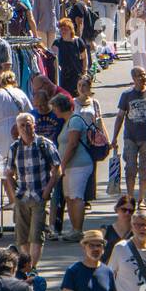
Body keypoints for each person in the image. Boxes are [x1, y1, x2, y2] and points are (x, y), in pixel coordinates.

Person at [4, 111, 61, 265]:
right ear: (17, 128)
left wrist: (47, 191)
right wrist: (14, 193)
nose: (25, 128)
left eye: (28, 124)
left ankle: (33, 267)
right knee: (22, 235)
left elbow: (57, 169)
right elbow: (8, 173)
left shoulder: (44, 144)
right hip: (22, 196)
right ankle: (25, 266)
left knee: (36, 234)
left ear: (34, 125)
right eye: (22, 125)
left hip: (39, 195)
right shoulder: (14, 147)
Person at [111, 66, 146, 206]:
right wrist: (114, 137)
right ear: (133, 78)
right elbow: (120, 117)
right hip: (130, 137)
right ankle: (130, 198)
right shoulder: (126, 95)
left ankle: (141, 198)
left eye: (144, 75)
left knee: (145, 167)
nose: (143, 77)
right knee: (130, 168)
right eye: (139, 75)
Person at [51, 92, 93, 241]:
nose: (54, 111)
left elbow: (73, 144)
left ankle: (78, 230)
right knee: (69, 197)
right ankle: (74, 228)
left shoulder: (75, 120)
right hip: (70, 166)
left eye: (55, 107)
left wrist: (62, 164)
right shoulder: (67, 121)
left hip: (79, 165)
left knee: (76, 196)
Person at [0, 71, 33, 154]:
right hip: (18, 128)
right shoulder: (20, 93)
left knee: (2, 158)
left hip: (0, 131)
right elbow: (29, 113)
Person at [53, 16, 89, 96]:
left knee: (79, 96)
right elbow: (54, 58)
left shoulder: (78, 41)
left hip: (77, 74)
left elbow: (84, 57)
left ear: (71, 30)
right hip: (63, 76)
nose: (63, 31)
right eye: (61, 29)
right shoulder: (57, 43)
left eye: (65, 29)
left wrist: (85, 71)